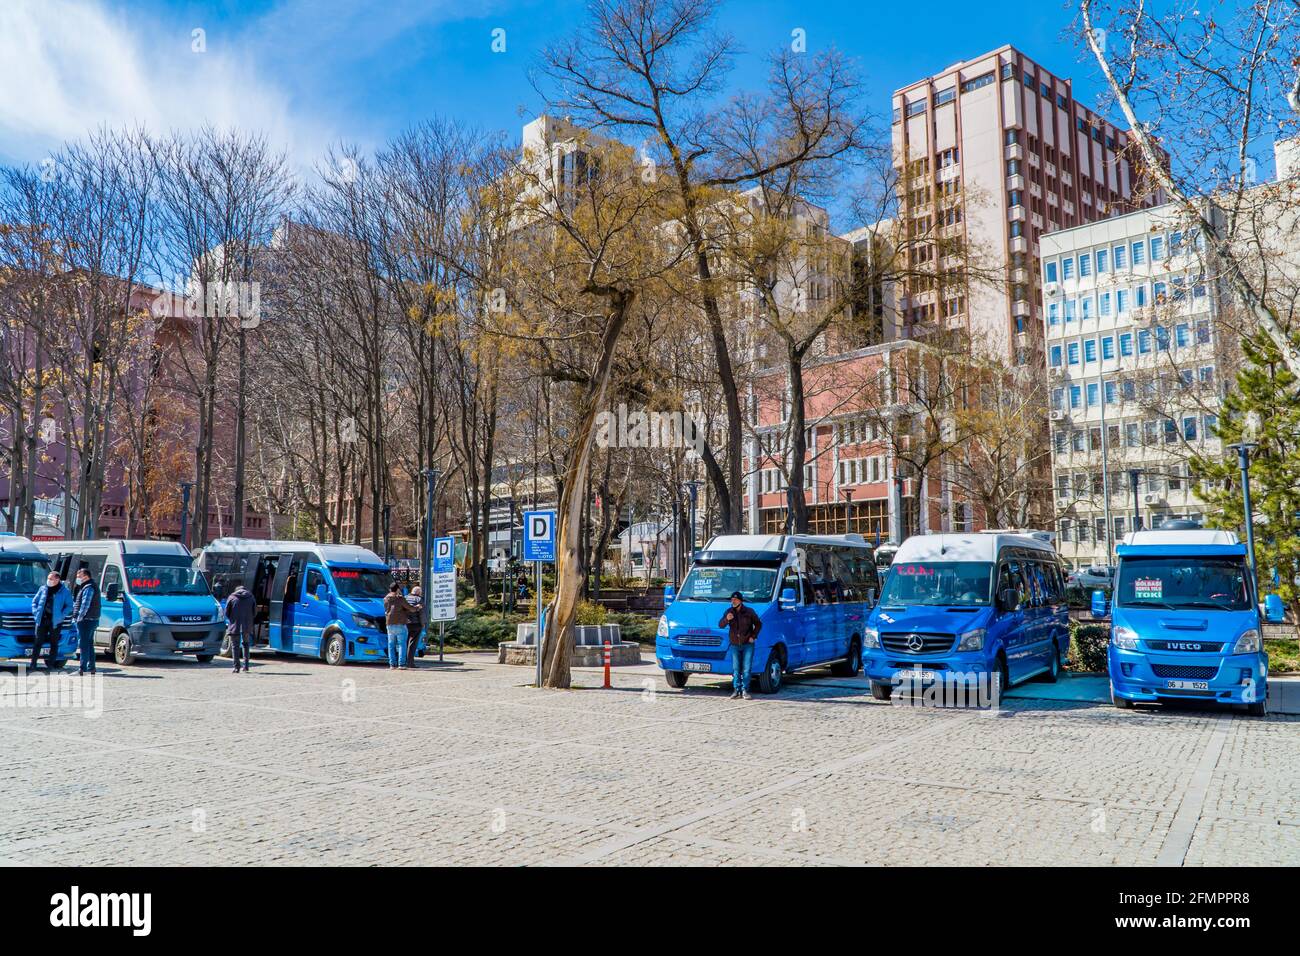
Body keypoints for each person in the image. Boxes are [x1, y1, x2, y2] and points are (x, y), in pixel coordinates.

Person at [718, 590, 761, 700]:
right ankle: (736, 690)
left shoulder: (749, 612)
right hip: (734, 645)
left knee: (746, 669)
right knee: (736, 669)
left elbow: (758, 624)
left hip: (747, 644)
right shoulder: (729, 612)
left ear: (740, 601)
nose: (733, 601)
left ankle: (745, 690)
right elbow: (720, 625)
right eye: (732, 600)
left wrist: (753, 636)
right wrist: (726, 619)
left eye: (735, 600)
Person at [30, 569, 73, 671]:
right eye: (48, 578)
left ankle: (50, 665)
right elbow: (34, 602)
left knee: (54, 643)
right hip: (41, 620)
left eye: (51, 579)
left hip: (55, 622)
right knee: (37, 642)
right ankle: (33, 663)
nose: (48, 580)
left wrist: (61, 616)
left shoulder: (64, 591)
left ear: (57, 580)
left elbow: (69, 606)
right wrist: (36, 614)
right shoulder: (43, 588)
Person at [72, 566, 101, 675]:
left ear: (85, 576)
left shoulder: (88, 587)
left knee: (84, 644)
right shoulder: (89, 586)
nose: (78, 579)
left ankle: (82, 669)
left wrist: (79, 618)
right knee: (89, 644)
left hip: (86, 620)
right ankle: (91, 668)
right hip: (91, 619)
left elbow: (85, 605)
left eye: (79, 576)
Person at [384, 582, 417, 670]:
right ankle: (401, 664)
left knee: (391, 644)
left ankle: (392, 664)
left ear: (389, 589)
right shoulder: (400, 598)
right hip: (400, 623)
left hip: (389, 623)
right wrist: (417, 607)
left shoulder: (386, 598)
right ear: (398, 589)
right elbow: (410, 608)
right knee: (402, 644)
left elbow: (386, 610)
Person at [224, 583, 256, 674]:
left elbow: (227, 612)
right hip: (247, 625)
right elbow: (254, 612)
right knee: (246, 645)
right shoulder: (251, 597)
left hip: (235, 625)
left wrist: (233, 619)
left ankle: (236, 667)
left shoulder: (232, 597)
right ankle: (246, 666)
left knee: (235, 646)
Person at [404, 585, 423, 666]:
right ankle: (410, 662)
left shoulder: (405, 598)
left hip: (405, 623)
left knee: (404, 642)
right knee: (412, 643)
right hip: (416, 624)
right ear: (418, 592)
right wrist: (423, 624)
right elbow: (422, 614)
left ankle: (402, 661)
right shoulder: (419, 599)